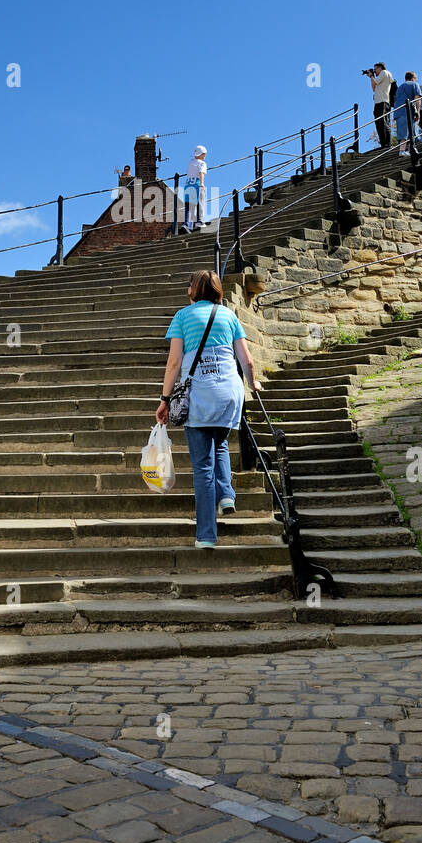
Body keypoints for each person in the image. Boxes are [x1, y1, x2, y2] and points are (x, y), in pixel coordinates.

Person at [156, 270, 258, 548]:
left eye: (188, 283)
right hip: (229, 392)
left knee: (202, 467)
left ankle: (206, 536)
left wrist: (165, 399)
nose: (186, 287)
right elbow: (246, 359)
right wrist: (254, 383)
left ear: (195, 289)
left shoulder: (182, 317)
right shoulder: (229, 315)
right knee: (221, 444)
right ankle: (226, 496)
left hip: (199, 395)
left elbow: (174, 364)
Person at [392, 71, 422, 155]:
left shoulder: (400, 88)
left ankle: (406, 150)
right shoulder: (414, 84)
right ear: (413, 78)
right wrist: (418, 112)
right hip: (407, 111)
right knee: (408, 131)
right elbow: (417, 99)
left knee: (403, 131)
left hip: (398, 111)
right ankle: (402, 151)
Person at [182, 145, 207, 233]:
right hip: (196, 184)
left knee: (189, 206)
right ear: (202, 154)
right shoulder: (202, 163)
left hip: (188, 185)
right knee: (201, 203)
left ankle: (187, 224)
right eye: (204, 154)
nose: (205, 156)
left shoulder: (191, 162)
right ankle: (200, 221)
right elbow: (201, 173)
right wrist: (202, 183)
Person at [368, 62, 394, 147]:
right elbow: (374, 88)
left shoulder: (384, 72)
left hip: (383, 101)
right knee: (379, 123)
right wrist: (372, 77)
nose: (375, 71)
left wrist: (372, 76)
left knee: (383, 122)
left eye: (375, 69)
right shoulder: (380, 77)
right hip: (379, 102)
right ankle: (383, 143)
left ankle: (387, 143)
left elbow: (375, 82)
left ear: (380, 68)